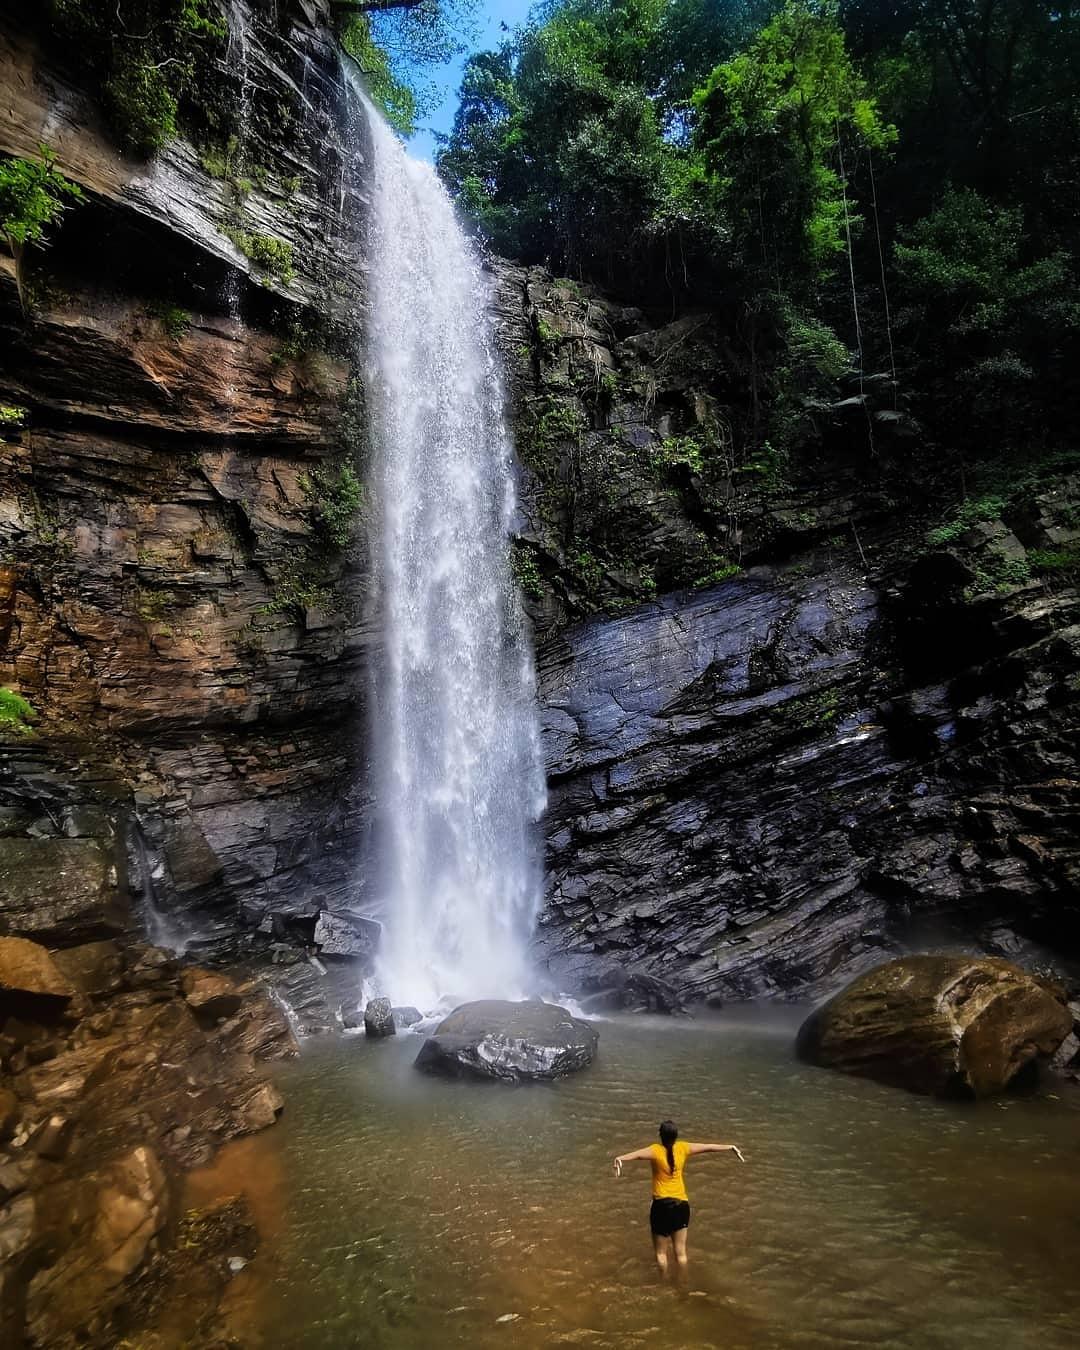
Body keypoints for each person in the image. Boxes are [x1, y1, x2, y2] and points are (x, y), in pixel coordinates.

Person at [613, 1120, 745, 1276]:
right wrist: (730, 1147)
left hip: (661, 1206)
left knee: (661, 1254)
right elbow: (708, 1147)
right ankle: (682, 1283)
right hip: (681, 1205)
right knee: (681, 1254)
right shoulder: (683, 1147)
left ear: (660, 1135)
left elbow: (634, 1156)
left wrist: (619, 1159)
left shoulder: (655, 1150)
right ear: (676, 1136)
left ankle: (663, 1281)